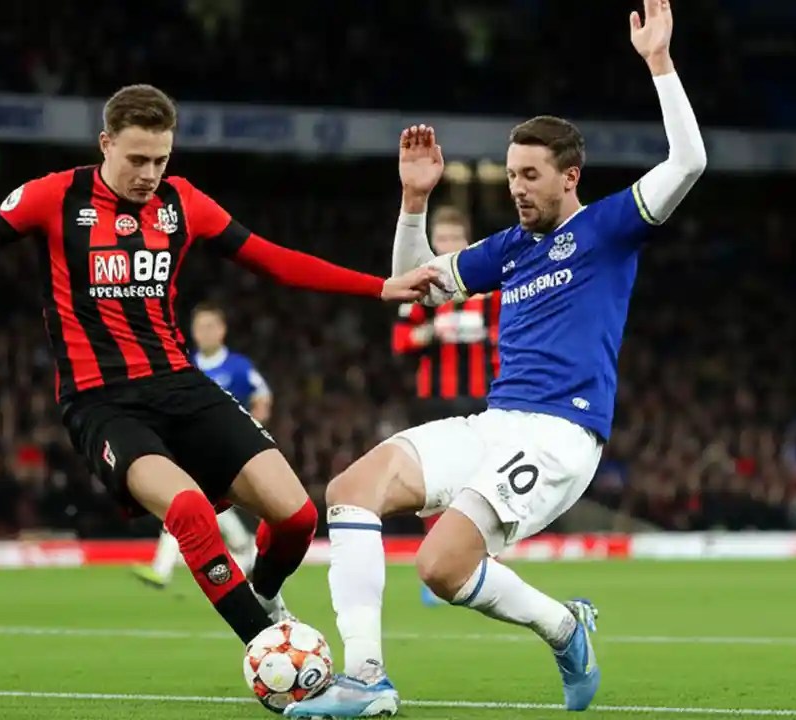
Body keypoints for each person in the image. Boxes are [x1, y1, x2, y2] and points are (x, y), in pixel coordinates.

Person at [285, 1, 707, 715]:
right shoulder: (508, 250)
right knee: (351, 488)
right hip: (496, 420)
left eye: (530, 176)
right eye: (512, 175)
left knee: (440, 566)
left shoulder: (607, 227)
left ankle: (564, 628)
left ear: (569, 177)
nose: (516, 187)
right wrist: (414, 202)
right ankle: (365, 678)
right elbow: (413, 289)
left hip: (561, 434)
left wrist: (659, 63)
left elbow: (689, 162)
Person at [0, 84, 438, 646]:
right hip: (103, 402)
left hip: (182, 386)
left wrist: (379, 287)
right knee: (190, 511)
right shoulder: (54, 197)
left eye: (160, 159)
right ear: (106, 144)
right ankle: (264, 646)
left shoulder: (183, 203)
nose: (149, 173)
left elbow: (273, 261)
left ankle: (265, 595)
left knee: (297, 518)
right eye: (136, 159)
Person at [391, 206, 500, 607]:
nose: (449, 245)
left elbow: (508, 337)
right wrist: (434, 330)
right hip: (433, 397)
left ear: (467, 242)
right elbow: (401, 341)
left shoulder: (490, 291)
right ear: (434, 242)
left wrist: (481, 334)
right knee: (437, 484)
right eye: (443, 239)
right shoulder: (423, 287)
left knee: (481, 481)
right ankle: (438, 569)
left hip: (481, 397)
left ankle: (483, 560)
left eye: (456, 239)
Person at [133, 301, 270, 588]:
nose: (205, 333)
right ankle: (244, 555)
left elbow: (262, 396)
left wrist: (252, 427)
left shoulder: (239, 366)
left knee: (190, 505)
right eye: (200, 327)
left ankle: (165, 569)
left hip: (228, 448)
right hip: (192, 449)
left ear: (222, 330)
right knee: (192, 504)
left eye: (211, 326)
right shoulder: (185, 364)